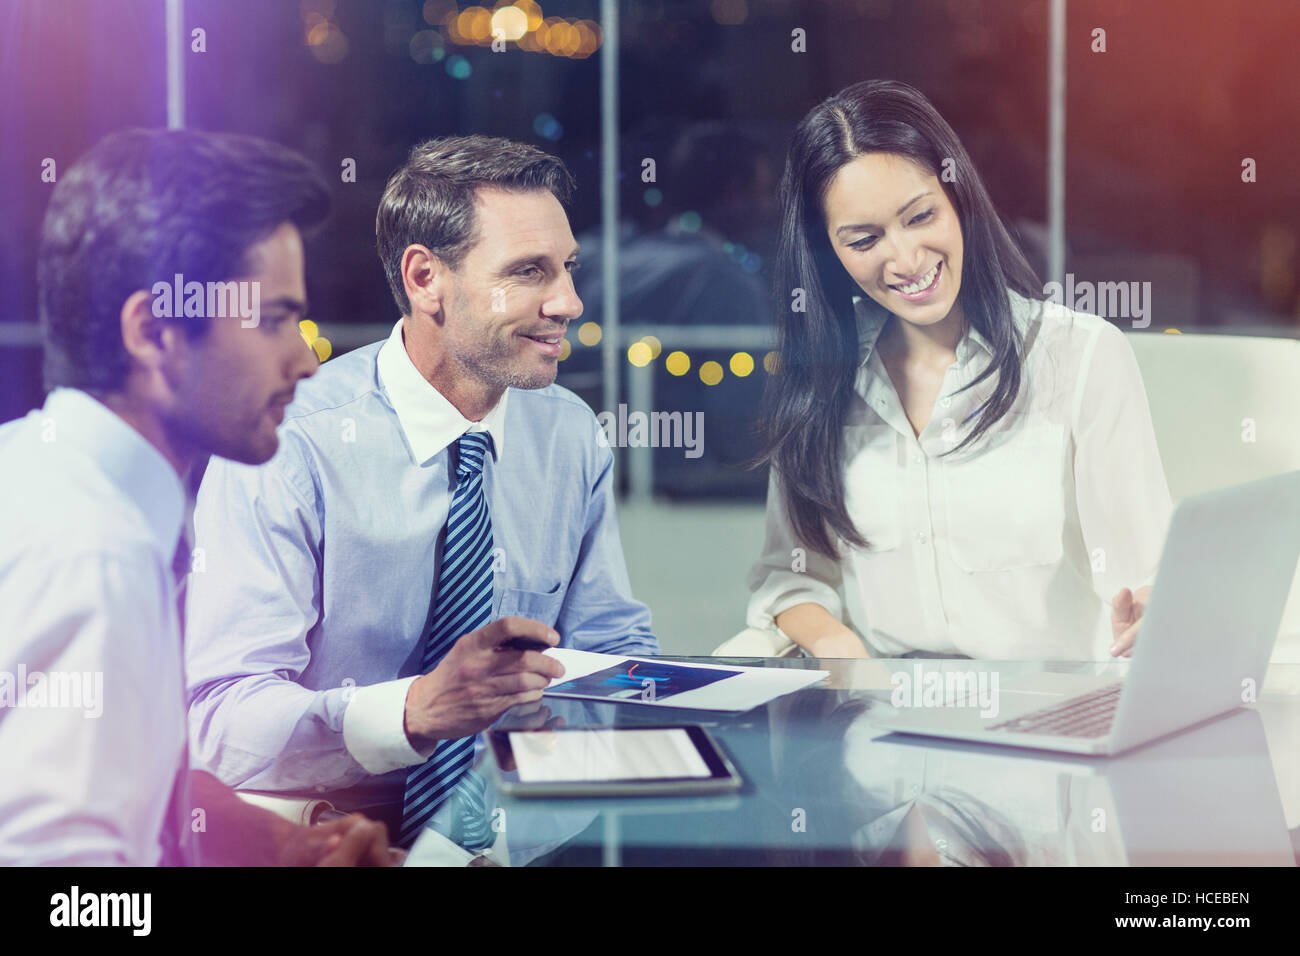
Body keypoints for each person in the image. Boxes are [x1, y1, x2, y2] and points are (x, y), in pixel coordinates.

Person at [184, 135, 658, 851]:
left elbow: (606, 650)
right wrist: (413, 713)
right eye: (529, 271)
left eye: (567, 268)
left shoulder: (568, 434)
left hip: (516, 835)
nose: (568, 301)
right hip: (335, 840)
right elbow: (220, 720)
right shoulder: (290, 444)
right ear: (425, 278)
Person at [0, 128, 394, 865]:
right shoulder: (95, 557)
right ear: (155, 333)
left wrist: (282, 846)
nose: (306, 362)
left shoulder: (31, 468)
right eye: (273, 320)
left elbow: (132, 775)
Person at [746, 80, 1173, 661]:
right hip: (883, 728)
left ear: (958, 201)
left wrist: (1157, 614)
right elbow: (790, 576)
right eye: (865, 238)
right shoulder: (822, 379)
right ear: (828, 251)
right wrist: (846, 657)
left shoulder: (1082, 356)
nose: (906, 259)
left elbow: (1146, 574)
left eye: (920, 216)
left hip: (1043, 723)